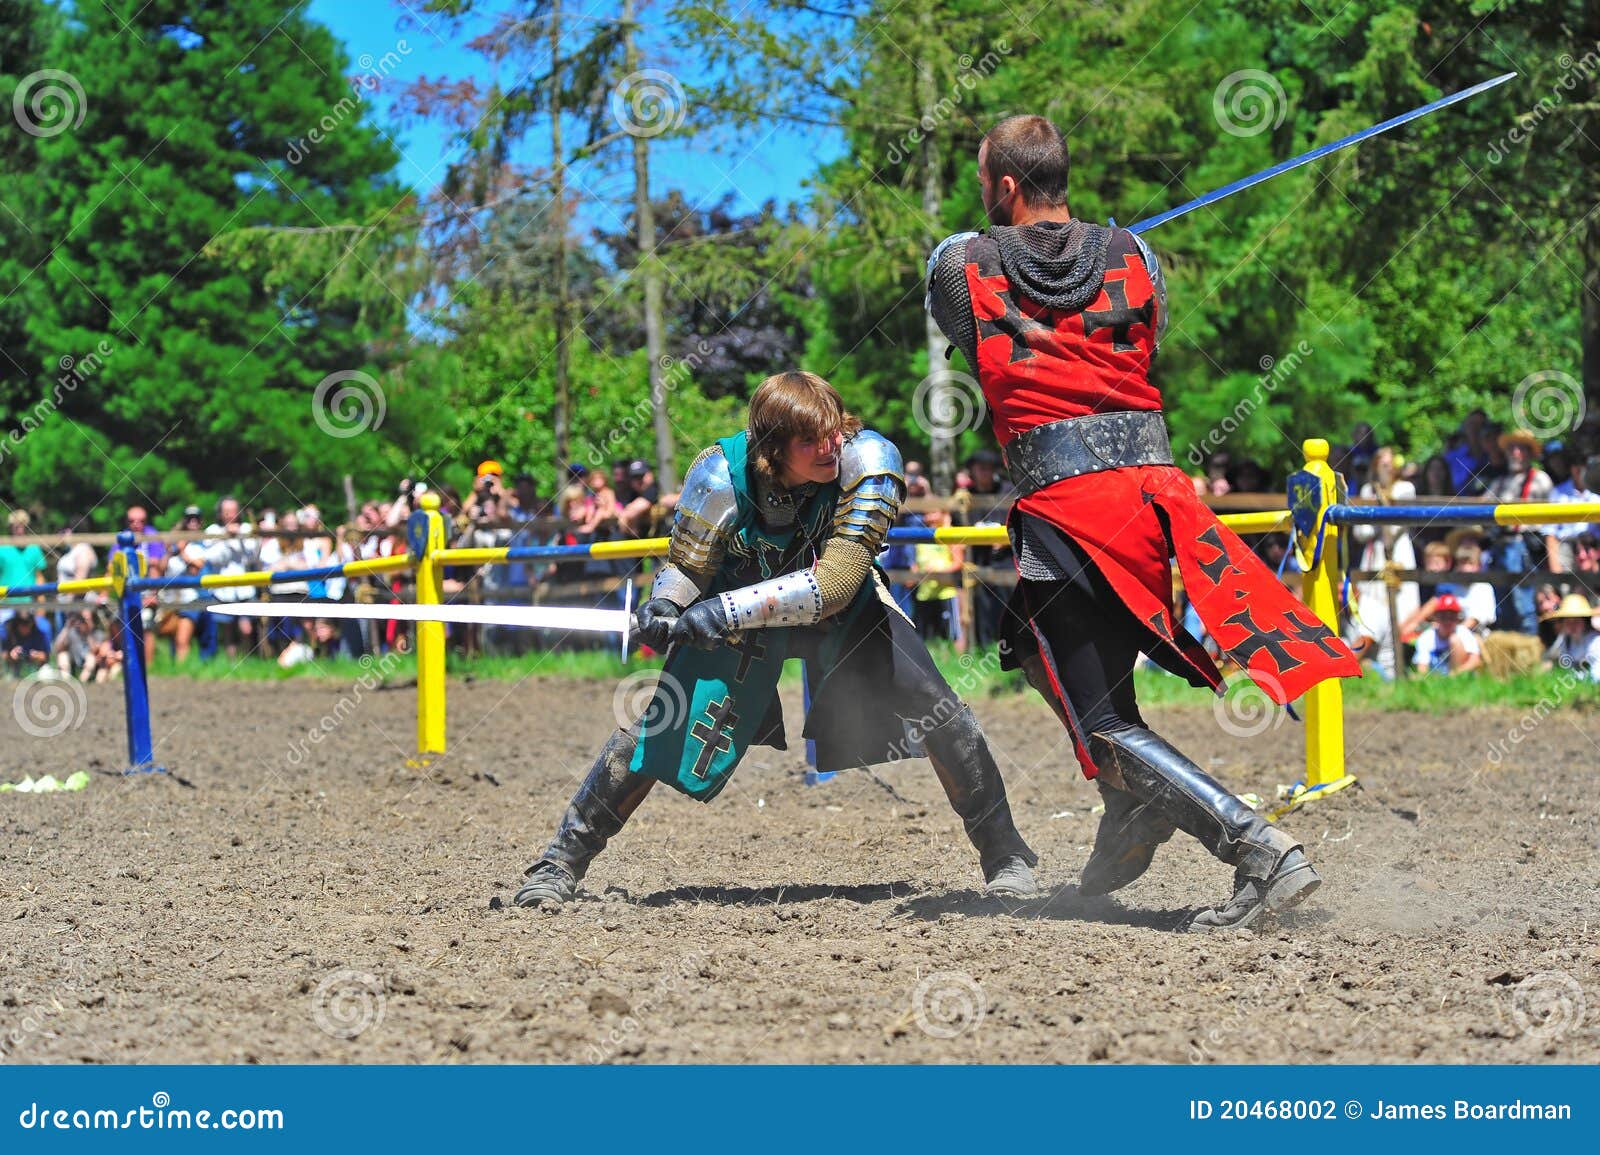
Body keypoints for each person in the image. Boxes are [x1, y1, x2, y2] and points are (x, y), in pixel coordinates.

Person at [925, 114, 1359, 929]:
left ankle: (1261, 850)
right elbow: (1143, 335)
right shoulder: (1137, 256)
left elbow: (961, 321)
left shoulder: (962, 263)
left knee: (1103, 722)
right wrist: (1086, 256)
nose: (981, 194)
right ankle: (1131, 807)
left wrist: (1034, 271)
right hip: (1148, 495)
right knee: (1031, 645)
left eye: (985, 182)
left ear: (1006, 186)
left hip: (1069, 508)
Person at [513, 371, 1039, 907]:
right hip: (737, 614)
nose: (829, 447)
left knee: (935, 702)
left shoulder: (870, 461)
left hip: (840, 610)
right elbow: (690, 564)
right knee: (660, 719)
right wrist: (666, 604)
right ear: (772, 449)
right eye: (808, 440)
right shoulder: (720, 473)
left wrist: (721, 611)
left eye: (832, 431)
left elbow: (836, 585)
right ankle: (559, 863)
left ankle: (1006, 855)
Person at [1485, 429, 1553, 634]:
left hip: (1525, 547)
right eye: (1512, 449)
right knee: (1502, 604)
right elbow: (1481, 509)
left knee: (1524, 603)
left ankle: (1529, 647)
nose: (1516, 453)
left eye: (1521, 449)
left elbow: (1551, 517)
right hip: (1500, 547)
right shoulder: (1499, 483)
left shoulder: (1540, 479)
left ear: (1530, 454)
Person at [1, 509, 46, 626]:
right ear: (11, 527)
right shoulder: (2, 548)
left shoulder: (34, 549)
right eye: (17, 527)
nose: (20, 531)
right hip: (5, 605)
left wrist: (41, 606)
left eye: (23, 527)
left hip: (29, 604)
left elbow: (39, 577)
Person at [1541, 593, 1600, 680]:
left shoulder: (1595, 641)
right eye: (1568, 622)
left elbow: (1596, 675)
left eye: (1576, 621)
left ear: (1585, 621)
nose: (1572, 626)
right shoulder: (1565, 639)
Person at [3, 611, 52, 677]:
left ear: (32, 623)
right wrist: (11, 655)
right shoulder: (10, 635)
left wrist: (37, 655)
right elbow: (4, 655)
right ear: (17, 624)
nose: (25, 626)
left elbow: (47, 656)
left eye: (27, 623)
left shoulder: (40, 635)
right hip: (15, 669)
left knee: (46, 672)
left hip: (35, 669)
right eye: (22, 623)